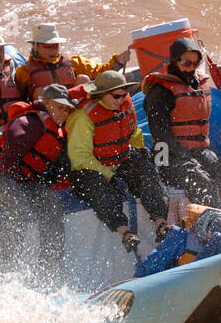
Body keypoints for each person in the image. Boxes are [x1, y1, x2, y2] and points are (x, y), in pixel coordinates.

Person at [65, 70, 170, 252]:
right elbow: (79, 157)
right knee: (98, 187)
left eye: (124, 95)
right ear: (101, 94)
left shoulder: (125, 106)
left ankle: (161, 224)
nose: (120, 100)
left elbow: (133, 131)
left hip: (120, 161)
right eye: (115, 96)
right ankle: (125, 232)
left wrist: (139, 149)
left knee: (146, 170)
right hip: (89, 168)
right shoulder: (83, 117)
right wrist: (109, 176)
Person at [0, 84, 74, 283]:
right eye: (60, 106)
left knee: (52, 203)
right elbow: (7, 163)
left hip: (23, 180)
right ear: (47, 104)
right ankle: (6, 271)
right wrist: (23, 186)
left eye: (67, 108)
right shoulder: (27, 122)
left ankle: (49, 267)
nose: (64, 112)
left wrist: (41, 183)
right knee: (17, 208)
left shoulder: (58, 131)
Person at [142, 37, 221, 207]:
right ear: (174, 61)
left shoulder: (199, 85)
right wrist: (185, 157)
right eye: (186, 63)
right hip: (165, 157)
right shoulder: (160, 92)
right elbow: (161, 134)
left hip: (196, 152)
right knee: (201, 181)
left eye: (195, 63)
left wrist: (193, 157)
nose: (191, 68)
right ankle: (217, 225)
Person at [14, 23, 131, 102]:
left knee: (83, 79)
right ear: (35, 46)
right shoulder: (24, 71)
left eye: (56, 45)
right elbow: (20, 97)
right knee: (39, 92)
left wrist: (118, 61)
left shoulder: (73, 62)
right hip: (47, 113)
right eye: (47, 46)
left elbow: (99, 73)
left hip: (74, 106)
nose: (54, 50)